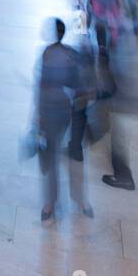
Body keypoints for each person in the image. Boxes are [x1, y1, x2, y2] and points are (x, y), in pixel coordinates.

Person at [32, 18, 92, 222]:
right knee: (64, 159)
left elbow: (42, 88)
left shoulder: (52, 55)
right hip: (58, 113)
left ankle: (52, 204)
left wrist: (38, 116)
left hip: (60, 113)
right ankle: (75, 201)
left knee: (54, 160)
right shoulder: (56, 54)